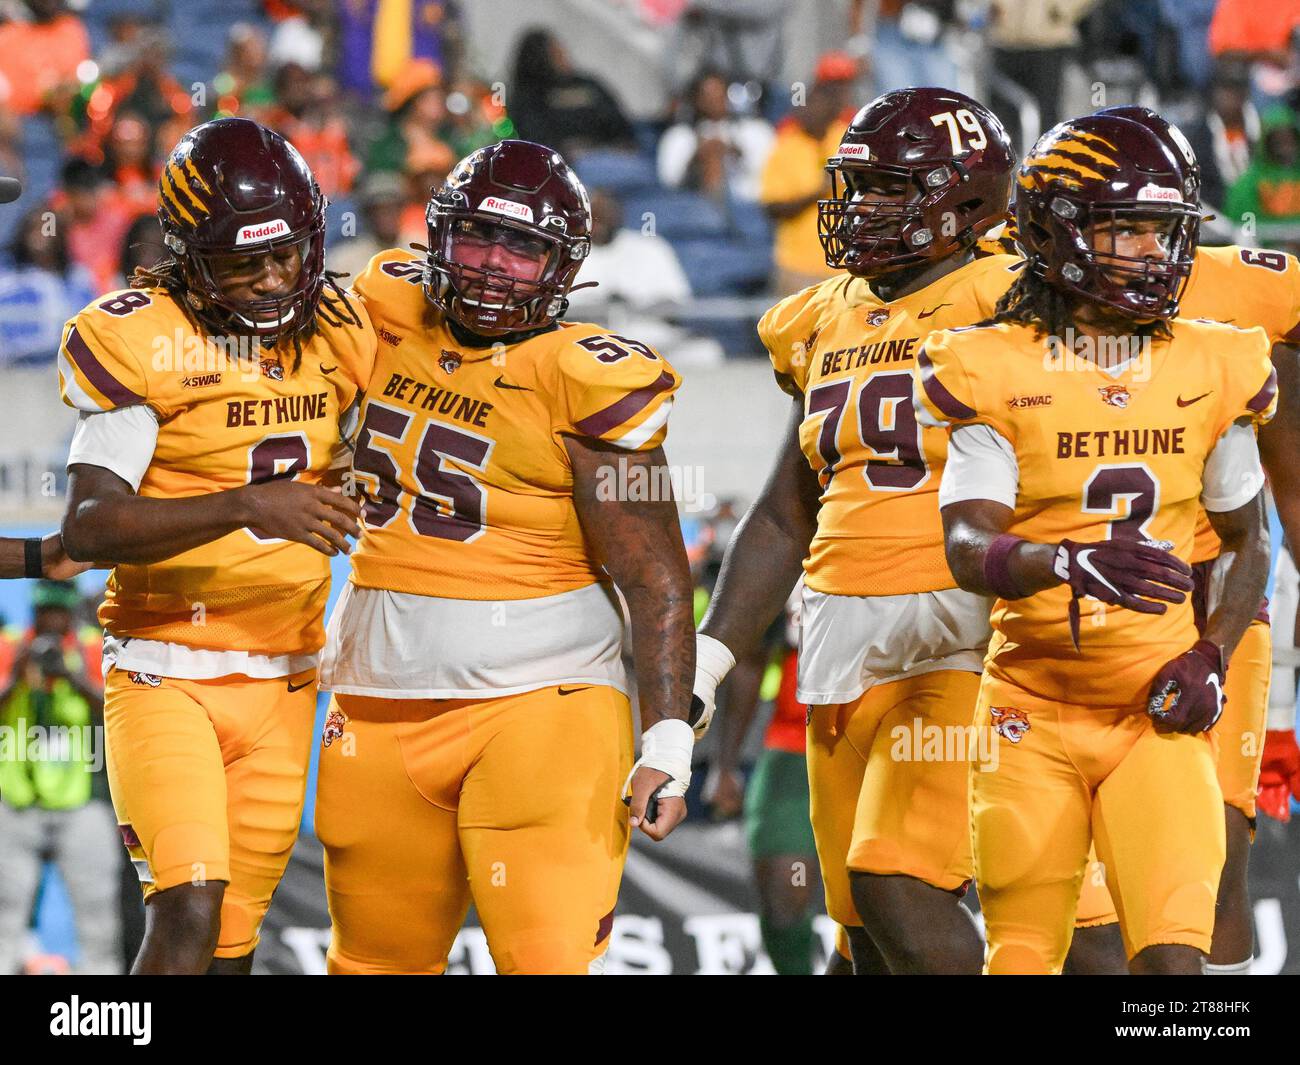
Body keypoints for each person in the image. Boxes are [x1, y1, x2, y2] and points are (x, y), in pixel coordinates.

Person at [315, 139, 695, 975]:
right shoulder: (385, 303)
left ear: (564, 265)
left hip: (542, 704)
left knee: (544, 963)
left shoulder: (586, 376)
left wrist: (668, 739)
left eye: (523, 246)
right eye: (478, 236)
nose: (493, 263)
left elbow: (656, 573)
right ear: (437, 235)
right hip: (375, 698)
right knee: (371, 967)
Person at [919, 112, 1274, 974]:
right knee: (1024, 959)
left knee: (1175, 967)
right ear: (1052, 231)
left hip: (1156, 705)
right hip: (1029, 711)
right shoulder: (991, 364)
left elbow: (1246, 541)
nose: (1154, 252)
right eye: (1127, 228)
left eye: (1165, 229)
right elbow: (966, 543)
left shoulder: (1216, 361)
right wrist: (1062, 560)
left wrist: (1213, 653)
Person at [693, 88, 1019, 975]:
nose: (862, 206)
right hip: (840, 648)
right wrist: (707, 661)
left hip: (959, 635)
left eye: (888, 187)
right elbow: (784, 513)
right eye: (858, 185)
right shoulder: (824, 315)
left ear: (965, 199)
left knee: (899, 884)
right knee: (865, 936)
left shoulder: (1011, 297)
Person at [56, 117, 376, 975]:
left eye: (287, 256)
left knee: (232, 949)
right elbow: (89, 526)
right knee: (188, 909)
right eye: (243, 263)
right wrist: (245, 504)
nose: (272, 280)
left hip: (285, 677)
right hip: (166, 668)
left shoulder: (341, 328)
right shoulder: (141, 337)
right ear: (190, 257)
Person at [0, 580, 118, 974]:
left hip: (83, 805)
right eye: (43, 613)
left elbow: (117, 714)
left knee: (98, 919)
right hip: (15, 802)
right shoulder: (10, 645)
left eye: (58, 613)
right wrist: (16, 675)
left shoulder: (91, 647)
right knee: (4, 918)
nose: (50, 622)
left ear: (70, 612)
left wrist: (72, 677)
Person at [759, 56, 856, 295]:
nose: (808, 110)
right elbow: (772, 207)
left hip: (846, 265)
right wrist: (816, 193)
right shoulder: (786, 144)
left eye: (816, 104)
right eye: (805, 103)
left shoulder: (848, 137)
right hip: (797, 267)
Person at [508, 28, 636, 157]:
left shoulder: (586, 85)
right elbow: (537, 137)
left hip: (612, 150)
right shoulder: (529, 98)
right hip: (572, 159)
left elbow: (616, 119)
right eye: (556, 54)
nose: (564, 57)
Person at [658, 69, 774, 201]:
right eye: (707, 96)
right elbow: (669, 180)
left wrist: (735, 152)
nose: (714, 101)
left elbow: (769, 169)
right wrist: (697, 158)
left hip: (749, 204)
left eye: (720, 94)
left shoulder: (755, 130)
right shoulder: (679, 136)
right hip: (695, 203)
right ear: (695, 99)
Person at [0, 205, 96, 364]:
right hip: (9, 365)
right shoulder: (6, 273)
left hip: (56, 365)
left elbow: (86, 325)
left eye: (46, 229)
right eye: (34, 228)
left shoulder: (77, 278)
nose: (39, 236)